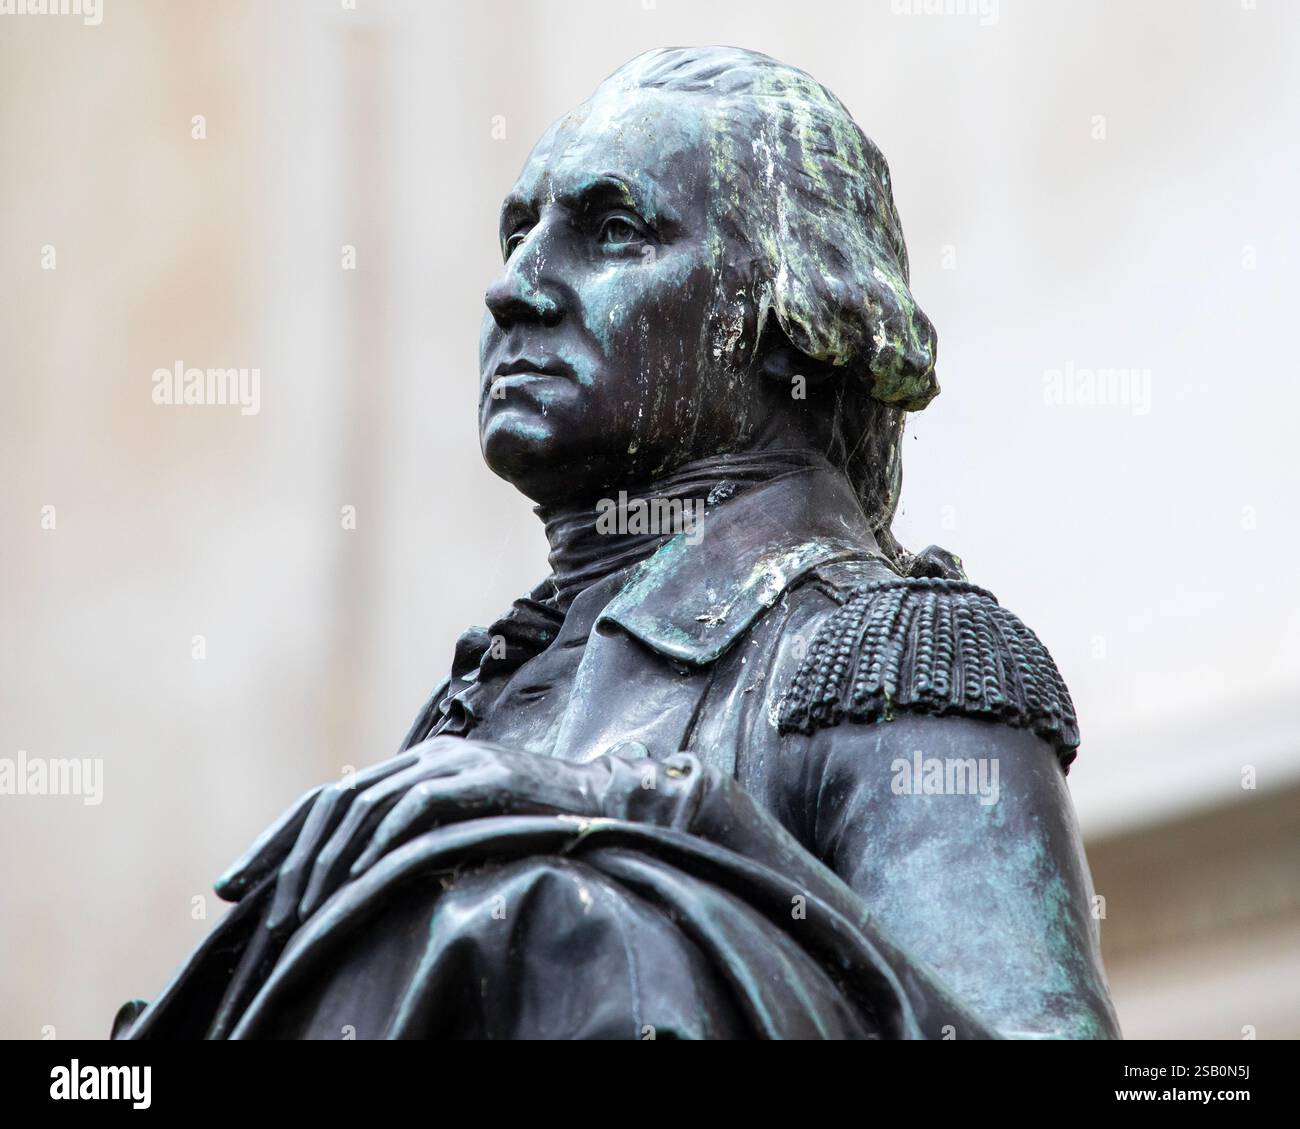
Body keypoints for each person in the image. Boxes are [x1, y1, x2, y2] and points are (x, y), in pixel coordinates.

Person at [116, 46, 1120, 1040]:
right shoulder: (491, 694)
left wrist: (658, 815)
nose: (514, 287)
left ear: (791, 317)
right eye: (517, 231)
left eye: (611, 231)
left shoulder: (889, 657)